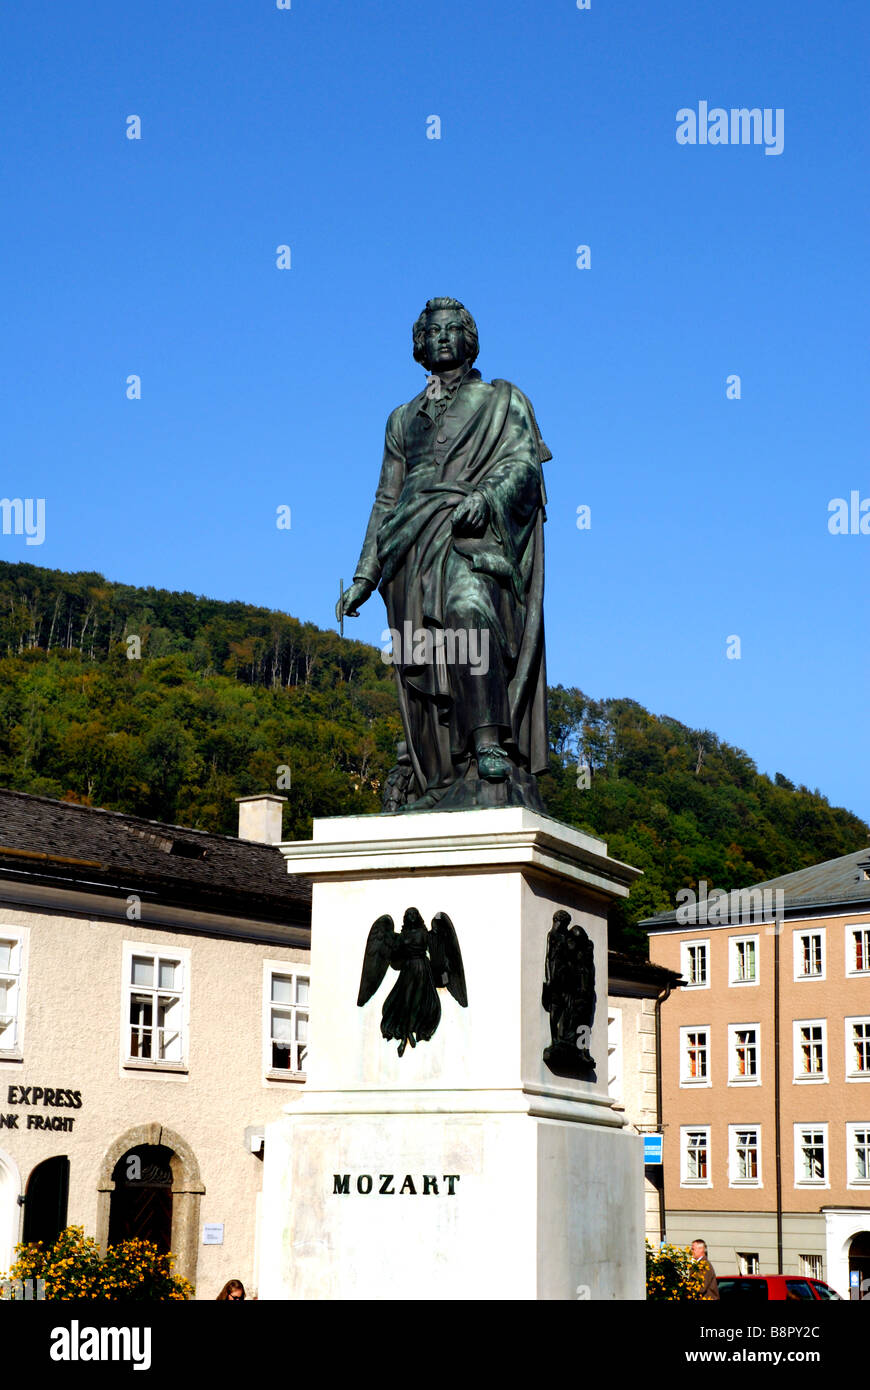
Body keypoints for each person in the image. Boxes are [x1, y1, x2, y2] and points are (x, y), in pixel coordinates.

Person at [337, 298, 550, 812]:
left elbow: (525, 465)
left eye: (455, 329)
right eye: (433, 331)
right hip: (408, 547)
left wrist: (489, 496)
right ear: (419, 343)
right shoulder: (401, 419)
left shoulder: (502, 400)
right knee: (421, 649)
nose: (444, 337)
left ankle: (486, 740)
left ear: (470, 338)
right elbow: (386, 498)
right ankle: (432, 762)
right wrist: (364, 574)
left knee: (467, 609)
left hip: (471, 534)